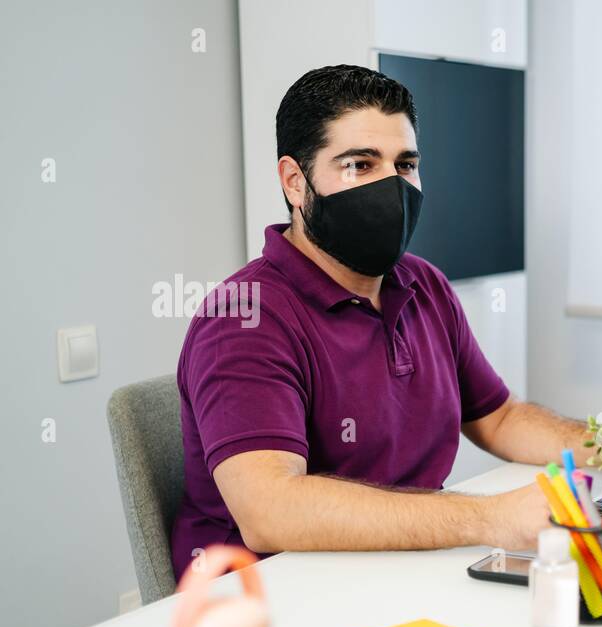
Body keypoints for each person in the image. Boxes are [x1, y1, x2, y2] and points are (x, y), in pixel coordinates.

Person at [171, 65, 578, 580]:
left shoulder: (422, 284)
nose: (392, 185)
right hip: (270, 605)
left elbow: (498, 419)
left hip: (398, 571)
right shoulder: (243, 316)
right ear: (296, 183)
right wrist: (490, 517)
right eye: (360, 165)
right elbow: (270, 511)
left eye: (404, 164)